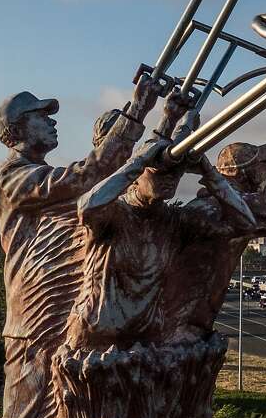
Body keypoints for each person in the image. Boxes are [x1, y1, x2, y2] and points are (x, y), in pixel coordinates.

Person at [0, 75, 159, 418]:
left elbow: (93, 186)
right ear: (18, 128)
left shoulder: (36, 176)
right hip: (31, 322)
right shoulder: (11, 178)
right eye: (43, 116)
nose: (53, 124)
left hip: (59, 315)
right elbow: (86, 177)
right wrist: (137, 115)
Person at [65, 93, 255, 349]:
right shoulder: (115, 214)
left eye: (176, 172)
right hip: (96, 340)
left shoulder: (174, 222)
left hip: (145, 341)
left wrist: (210, 173)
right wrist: (140, 160)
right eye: (160, 171)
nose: (170, 178)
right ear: (136, 174)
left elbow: (246, 225)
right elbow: (87, 206)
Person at [160, 141, 266, 343]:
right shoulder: (241, 205)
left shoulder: (199, 206)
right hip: (183, 335)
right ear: (250, 174)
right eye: (265, 169)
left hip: (165, 323)